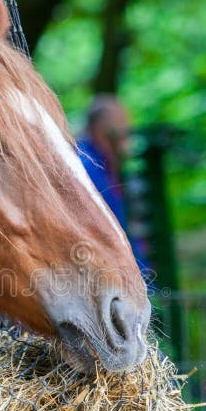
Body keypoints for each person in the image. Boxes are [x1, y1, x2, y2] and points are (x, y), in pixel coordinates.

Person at [78, 94, 151, 276]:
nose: (128, 133)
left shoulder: (107, 164)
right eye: (122, 125)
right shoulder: (88, 167)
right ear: (101, 131)